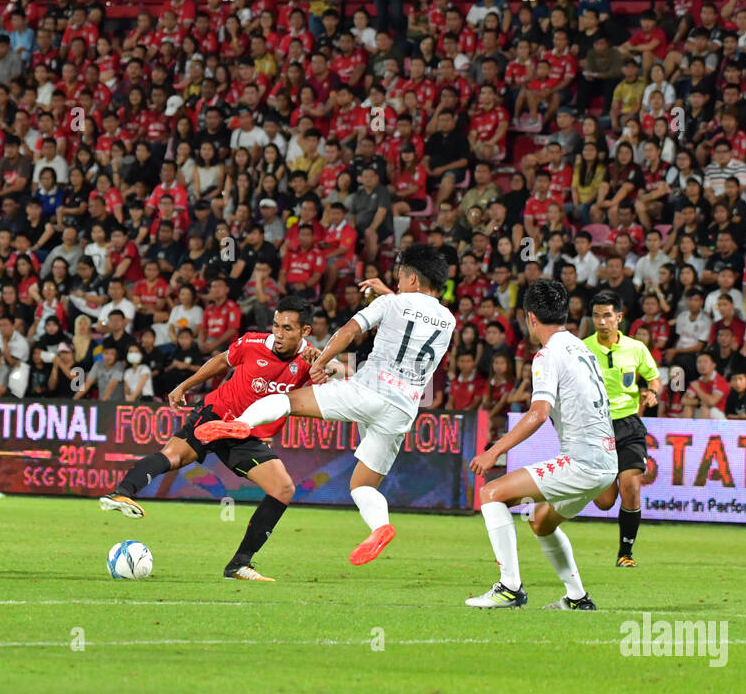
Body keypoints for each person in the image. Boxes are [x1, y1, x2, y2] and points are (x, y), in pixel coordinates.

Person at [193, 245, 454, 567]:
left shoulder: (390, 302)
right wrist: (390, 294)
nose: (397, 284)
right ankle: (380, 526)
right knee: (362, 485)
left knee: (285, 401)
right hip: (403, 409)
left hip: (368, 391)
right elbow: (415, 315)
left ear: (411, 277)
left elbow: (349, 331)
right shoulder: (448, 319)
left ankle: (243, 424)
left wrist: (323, 361)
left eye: (400, 278)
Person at [100, 297, 343, 581]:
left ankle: (239, 564)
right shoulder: (253, 343)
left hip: (246, 434)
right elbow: (219, 362)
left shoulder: (309, 361)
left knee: (283, 488)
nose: (278, 334)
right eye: (276, 325)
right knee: (174, 455)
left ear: (305, 331)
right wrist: (185, 385)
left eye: (287, 329)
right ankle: (122, 492)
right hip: (216, 415)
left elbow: (335, 381)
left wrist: (327, 366)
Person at [463, 278, 617, 610]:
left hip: (582, 462)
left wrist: (494, 450)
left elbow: (538, 413)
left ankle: (509, 588)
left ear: (530, 318)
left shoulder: (548, 355)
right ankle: (577, 598)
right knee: (541, 521)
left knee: (491, 493)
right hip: (605, 462)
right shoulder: (582, 348)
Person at [582, 291, 660, 568]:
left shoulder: (636, 348)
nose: (602, 322)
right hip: (597, 427)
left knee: (631, 485)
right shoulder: (583, 348)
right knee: (604, 502)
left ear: (619, 317)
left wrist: (651, 392)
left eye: (607, 316)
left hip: (628, 424)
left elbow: (654, 377)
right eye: (596, 316)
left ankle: (625, 553)